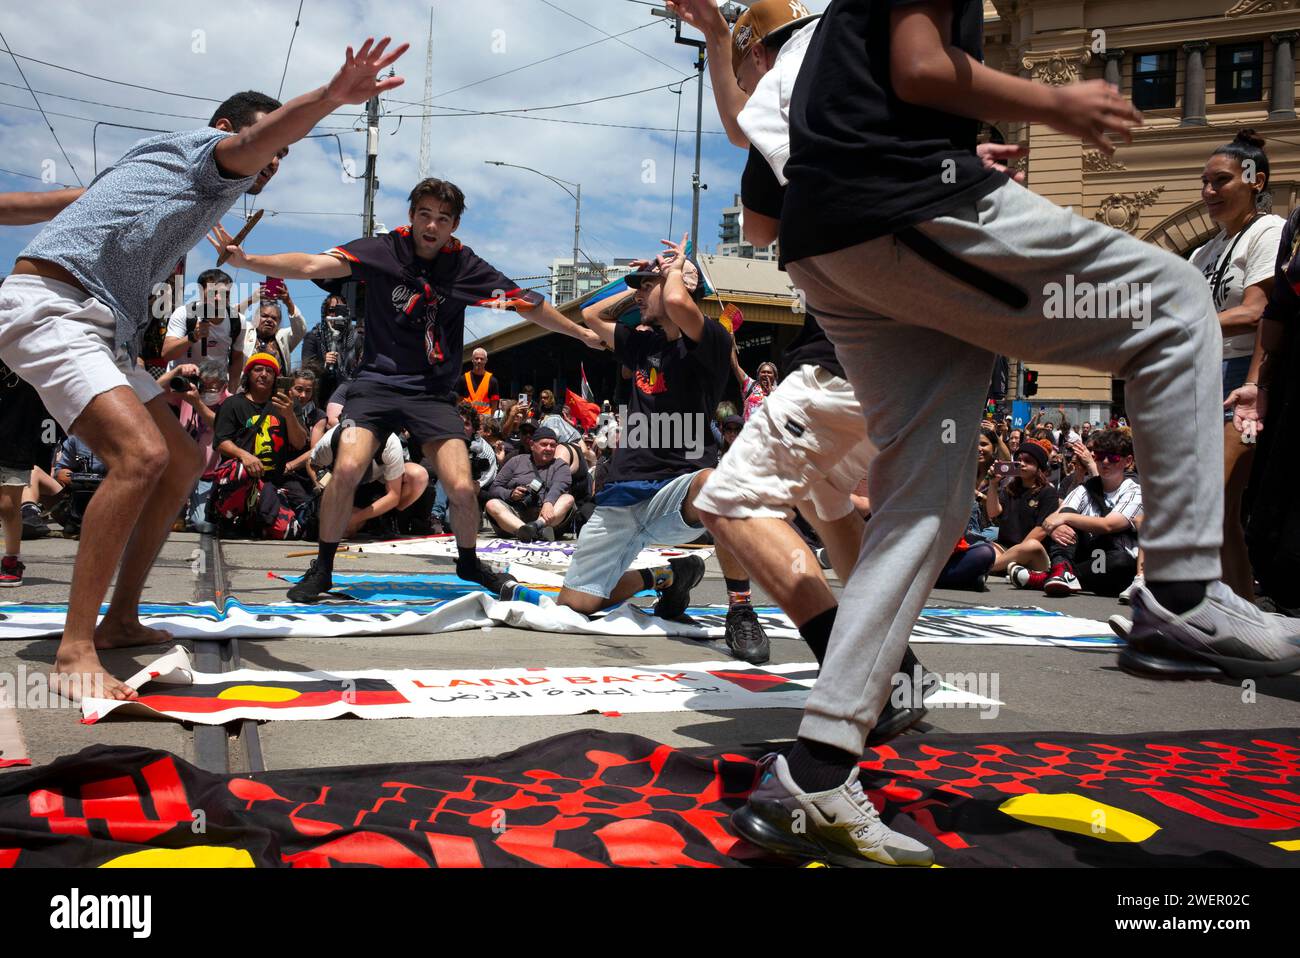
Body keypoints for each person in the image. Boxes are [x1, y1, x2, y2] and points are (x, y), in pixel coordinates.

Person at [727, 0, 1300, 869]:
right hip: (903, 208)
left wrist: (959, 148)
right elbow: (920, 65)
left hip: (837, 248)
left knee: (925, 498)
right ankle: (1179, 596)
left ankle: (815, 769)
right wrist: (1057, 103)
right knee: (1177, 304)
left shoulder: (814, 43)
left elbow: (788, 135)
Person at [0, 39, 407, 699]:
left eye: (280, 158)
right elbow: (250, 143)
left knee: (181, 458)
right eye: (271, 150)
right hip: (55, 307)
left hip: (98, 327)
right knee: (138, 457)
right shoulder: (204, 155)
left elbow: (52, 203)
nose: (272, 164)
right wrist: (332, 98)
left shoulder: (148, 166)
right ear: (227, 131)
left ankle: (121, 618)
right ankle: (75, 650)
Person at [211, 176, 603, 600]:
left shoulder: (463, 265)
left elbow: (529, 303)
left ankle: (469, 563)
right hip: (376, 384)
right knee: (345, 469)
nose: (431, 226)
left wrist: (579, 334)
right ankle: (322, 568)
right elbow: (310, 265)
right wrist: (248, 261)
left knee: (461, 485)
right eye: (424, 215)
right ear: (411, 216)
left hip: (431, 393)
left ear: (453, 225)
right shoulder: (384, 250)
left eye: (443, 219)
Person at [557, 237, 771, 664]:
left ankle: (741, 608)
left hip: (675, 489)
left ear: (681, 287)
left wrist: (672, 269)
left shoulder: (709, 338)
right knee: (576, 606)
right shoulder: (643, 344)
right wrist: (635, 280)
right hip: (621, 499)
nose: (639, 293)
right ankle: (667, 575)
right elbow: (590, 315)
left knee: (717, 485)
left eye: (646, 285)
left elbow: (676, 298)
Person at [1188, 130, 1284, 601]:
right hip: (1203, 381)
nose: (1208, 191)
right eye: (1204, 182)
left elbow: (1257, 311)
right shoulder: (1202, 252)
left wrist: (1183, 326)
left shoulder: (1269, 231)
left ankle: (1224, 610)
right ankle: (1237, 614)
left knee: (1216, 498)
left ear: (1255, 179)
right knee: (1217, 507)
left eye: (1220, 180)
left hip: (1247, 377)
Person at [1021, 430, 1143, 597]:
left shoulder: (1134, 491)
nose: (1105, 462)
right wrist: (1056, 525)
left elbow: (1109, 525)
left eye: (1113, 457)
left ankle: (1051, 577)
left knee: (1121, 562)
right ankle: (1061, 569)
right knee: (1063, 526)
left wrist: (1064, 517)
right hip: (1087, 555)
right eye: (1100, 456)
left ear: (1128, 461)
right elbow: (1058, 516)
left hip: (1115, 561)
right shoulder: (1086, 487)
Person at [210, 352, 311, 538]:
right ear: (248, 375)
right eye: (258, 369)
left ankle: (258, 519)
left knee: (306, 520)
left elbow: (299, 443)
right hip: (243, 476)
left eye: (269, 371)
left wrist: (289, 414)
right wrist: (244, 456)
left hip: (276, 479)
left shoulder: (288, 405)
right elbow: (220, 442)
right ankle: (230, 518)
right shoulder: (232, 404)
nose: (263, 374)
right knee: (239, 471)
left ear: (276, 378)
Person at [311, 423, 428, 538]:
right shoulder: (330, 441)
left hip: (382, 482)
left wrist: (355, 518)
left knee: (418, 476)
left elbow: (394, 495)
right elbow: (312, 464)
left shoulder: (390, 443)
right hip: (348, 487)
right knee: (343, 531)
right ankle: (366, 519)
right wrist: (326, 488)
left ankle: (387, 517)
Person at [484, 426, 574, 541]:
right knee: (491, 504)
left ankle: (536, 527)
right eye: (544, 444)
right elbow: (494, 488)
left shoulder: (560, 465)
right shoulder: (516, 461)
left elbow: (559, 486)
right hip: (516, 515)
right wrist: (510, 494)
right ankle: (526, 531)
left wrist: (549, 502)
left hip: (547, 517)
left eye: (553, 445)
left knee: (568, 498)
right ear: (532, 445)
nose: (549, 448)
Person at [161, 268, 245, 386]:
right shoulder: (184, 314)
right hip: (181, 387)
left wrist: (231, 392)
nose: (219, 299)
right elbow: (167, 354)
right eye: (213, 293)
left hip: (214, 389)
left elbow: (236, 358)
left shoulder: (237, 321)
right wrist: (192, 337)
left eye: (225, 294)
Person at [989, 438, 1058, 578]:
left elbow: (1041, 530)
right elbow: (992, 512)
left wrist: (1015, 553)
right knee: (985, 549)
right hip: (1006, 547)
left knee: (1031, 545)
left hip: (1032, 554)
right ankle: (1006, 567)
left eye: (1028, 461)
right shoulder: (1010, 489)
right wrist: (993, 484)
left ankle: (987, 568)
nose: (1022, 463)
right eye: (1019, 459)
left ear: (1039, 466)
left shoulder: (1047, 492)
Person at [239, 284, 307, 376]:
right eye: (264, 316)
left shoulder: (283, 337)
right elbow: (228, 316)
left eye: (274, 318)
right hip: (243, 387)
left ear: (279, 322)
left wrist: (288, 302)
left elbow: (301, 329)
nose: (269, 320)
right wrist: (251, 299)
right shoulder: (245, 330)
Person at [455, 347, 500, 416]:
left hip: (484, 418)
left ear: (486, 360)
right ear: (472, 360)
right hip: (467, 417)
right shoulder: (463, 379)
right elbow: (458, 400)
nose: (479, 361)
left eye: (482, 359)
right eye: (476, 358)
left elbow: (494, 404)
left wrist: (491, 420)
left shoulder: (492, 380)